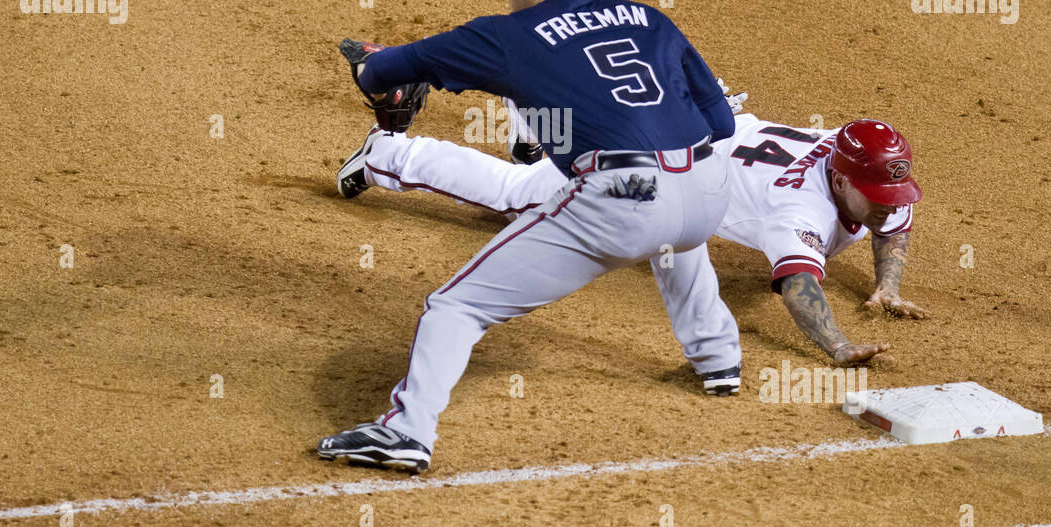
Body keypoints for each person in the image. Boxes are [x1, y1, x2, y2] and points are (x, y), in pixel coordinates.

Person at [319, 0, 743, 473]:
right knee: (675, 225)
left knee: (456, 306)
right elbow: (722, 121)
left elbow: (384, 69)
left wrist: (371, 70)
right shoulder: (652, 18)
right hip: (710, 189)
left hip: (624, 201)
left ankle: (406, 431)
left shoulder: (508, 35)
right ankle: (718, 358)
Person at [337, 101, 927, 366]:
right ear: (843, 180)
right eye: (875, 197)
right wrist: (839, 345)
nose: (885, 208)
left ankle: (536, 128)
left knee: (562, 150)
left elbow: (891, 224)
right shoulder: (796, 209)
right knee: (519, 196)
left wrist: (888, 286)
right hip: (648, 161)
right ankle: (392, 152)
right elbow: (799, 288)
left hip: (684, 124)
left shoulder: (851, 167)